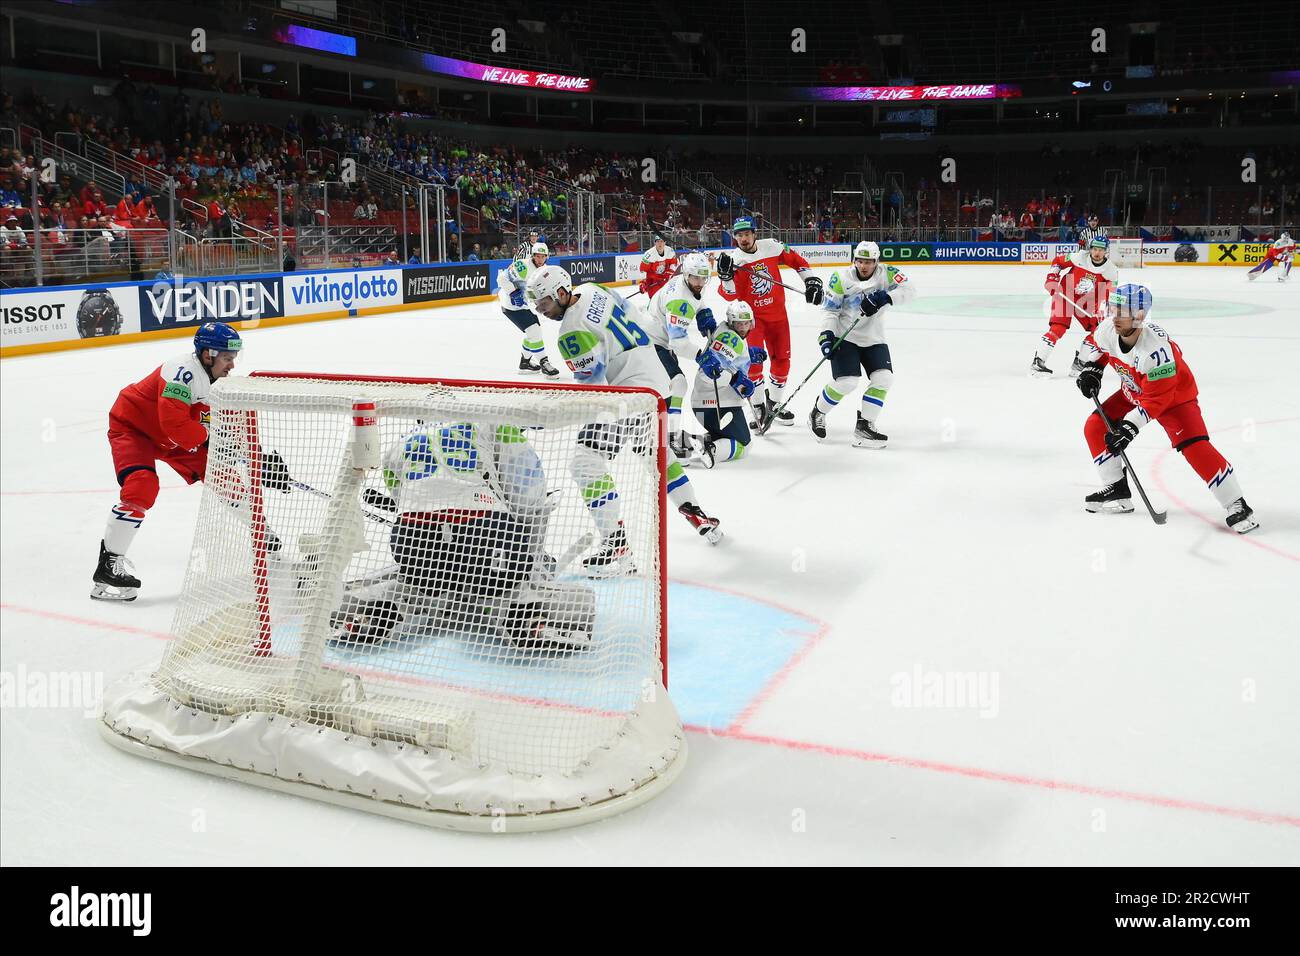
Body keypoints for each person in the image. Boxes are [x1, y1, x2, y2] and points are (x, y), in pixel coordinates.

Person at [333, 421, 594, 649]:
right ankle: (525, 613)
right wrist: (526, 551)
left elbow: (400, 498)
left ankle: (379, 613)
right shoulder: (493, 422)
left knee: (418, 585)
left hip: (413, 545)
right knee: (508, 581)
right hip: (484, 540)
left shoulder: (400, 443)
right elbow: (528, 491)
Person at [526, 265, 723, 559]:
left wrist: (546, 419)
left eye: (545, 303)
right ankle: (696, 512)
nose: (542, 310)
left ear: (562, 292)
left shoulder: (571, 331)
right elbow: (638, 320)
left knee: (584, 461)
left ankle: (616, 546)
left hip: (629, 396)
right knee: (655, 455)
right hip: (658, 382)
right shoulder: (595, 288)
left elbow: (592, 394)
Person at [93, 322, 289, 600]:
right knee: (141, 487)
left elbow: (232, 426)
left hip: (176, 438)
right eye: (227, 358)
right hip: (135, 428)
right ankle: (108, 566)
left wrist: (258, 458)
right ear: (208, 354)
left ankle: (261, 529)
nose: (232, 365)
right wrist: (212, 440)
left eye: (235, 357)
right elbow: (173, 423)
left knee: (223, 477)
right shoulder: (180, 372)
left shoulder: (221, 381)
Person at [1075, 284, 1257, 534]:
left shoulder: (1156, 351)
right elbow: (1099, 346)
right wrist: (1092, 369)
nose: (1115, 315)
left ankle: (1236, 503)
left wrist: (1129, 427)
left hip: (1174, 398)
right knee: (1095, 426)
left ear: (1139, 316)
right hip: (1135, 388)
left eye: (1123, 311)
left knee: (1195, 447)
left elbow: (1157, 399)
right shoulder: (1109, 327)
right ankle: (1117, 490)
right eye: (1114, 308)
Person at [714, 216, 822, 429]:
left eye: (747, 234)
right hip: (752, 321)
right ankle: (758, 406)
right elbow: (729, 295)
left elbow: (797, 261)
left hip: (779, 317)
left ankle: (773, 403)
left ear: (755, 234)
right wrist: (726, 277)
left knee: (782, 361)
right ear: (735, 237)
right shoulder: (732, 259)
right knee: (754, 361)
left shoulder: (772, 246)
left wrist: (811, 281)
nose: (743, 239)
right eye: (739, 235)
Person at [808, 240, 915, 447]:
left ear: (876, 261)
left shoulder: (888, 273)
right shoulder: (840, 277)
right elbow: (830, 310)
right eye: (860, 261)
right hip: (845, 336)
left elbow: (910, 290)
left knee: (884, 379)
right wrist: (826, 335)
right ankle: (817, 412)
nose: (864, 266)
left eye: (869, 262)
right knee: (847, 382)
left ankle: (865, 426)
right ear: (854, 260)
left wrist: (886, 296)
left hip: (874, 338)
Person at [644, 252, 712, 460]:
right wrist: (702, 356)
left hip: (654, 338)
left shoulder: (681, 280)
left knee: (672, 386)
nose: (700, 282)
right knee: (678, 384)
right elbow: (679, 343)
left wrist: (703, 312)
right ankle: (669, 436)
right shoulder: (680, 302)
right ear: (686, 275)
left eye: (703, 277)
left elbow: (696, 299)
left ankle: (664, 433)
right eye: (695, 277)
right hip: (651, 343)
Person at [1031, 235, 1118, 379]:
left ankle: (1080, 363)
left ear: (1106, 251)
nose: (1097, 253)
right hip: (1065, 295)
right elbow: (1058, 262)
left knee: (1098, 331)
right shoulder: (1078, 257)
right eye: (1095, 249)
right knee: (1057, 328)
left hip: (1087, 302)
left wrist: (1101, 311)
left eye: (1101, 250)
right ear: (1090, 249)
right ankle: (1038, 363)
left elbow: (1109, 294)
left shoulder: (1111, 271)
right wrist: (1052, 278)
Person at [690, 301, 763, 467]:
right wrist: (735, 380)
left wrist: (746, 357)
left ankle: (684, 444)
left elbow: (725, 360)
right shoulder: (732, 340)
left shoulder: (727, 332)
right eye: (739, 324)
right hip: (715, 404)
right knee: (743, 445)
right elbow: (705, 376)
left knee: (734, 441)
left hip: (705, 404)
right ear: (731, 322)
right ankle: (710, 448)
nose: (744, 328)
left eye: (746, 323)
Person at [495, 241, 559, 377]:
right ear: (533, 255)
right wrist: (512, 292)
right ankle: (544, 363)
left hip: (524, 305)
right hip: (510, 305)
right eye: (537, 256)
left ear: (547, 256)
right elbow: (501, 278)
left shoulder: (545, 270)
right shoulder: (522, 265)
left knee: (533, 332)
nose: (540, 259)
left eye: (543, 256)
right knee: (534, 331)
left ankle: (525, 363)